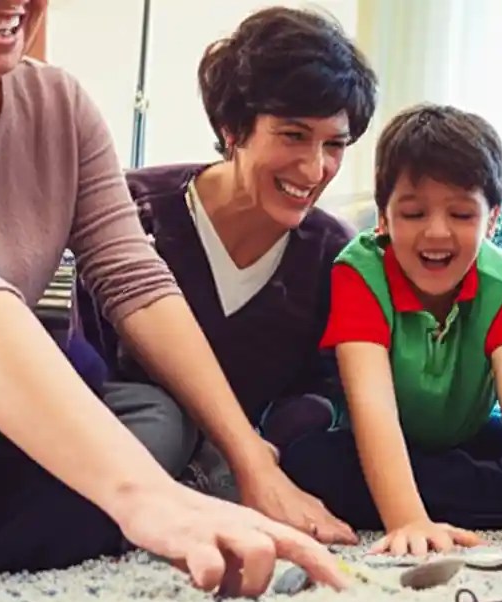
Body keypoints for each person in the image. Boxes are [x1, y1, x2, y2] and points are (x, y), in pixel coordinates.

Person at [0, 0, 345, 595]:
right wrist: (146, 498)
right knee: (81, 423)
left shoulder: (60, 105)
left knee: (114, 437)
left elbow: (137, 282)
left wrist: (253, 463)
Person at [75, 6, 376, 546]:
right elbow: (89, 368)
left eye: (334, 145)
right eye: (292, 135)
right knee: (161, 423)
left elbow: (325, 397)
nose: (314, 169)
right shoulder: (131, 210)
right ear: (232, 128)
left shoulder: (332, 254)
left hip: (247, 456)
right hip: (125, 436)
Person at [289, 104, 502, 555]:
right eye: (413, 214)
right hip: (381, 443)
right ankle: (457, 499)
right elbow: (372, 402)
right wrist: (408, 522)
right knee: (311, 464)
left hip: (469, 438)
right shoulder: (359, 272)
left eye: (462, 215)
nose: (437, 233)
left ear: (493, 220)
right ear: (383, 219)